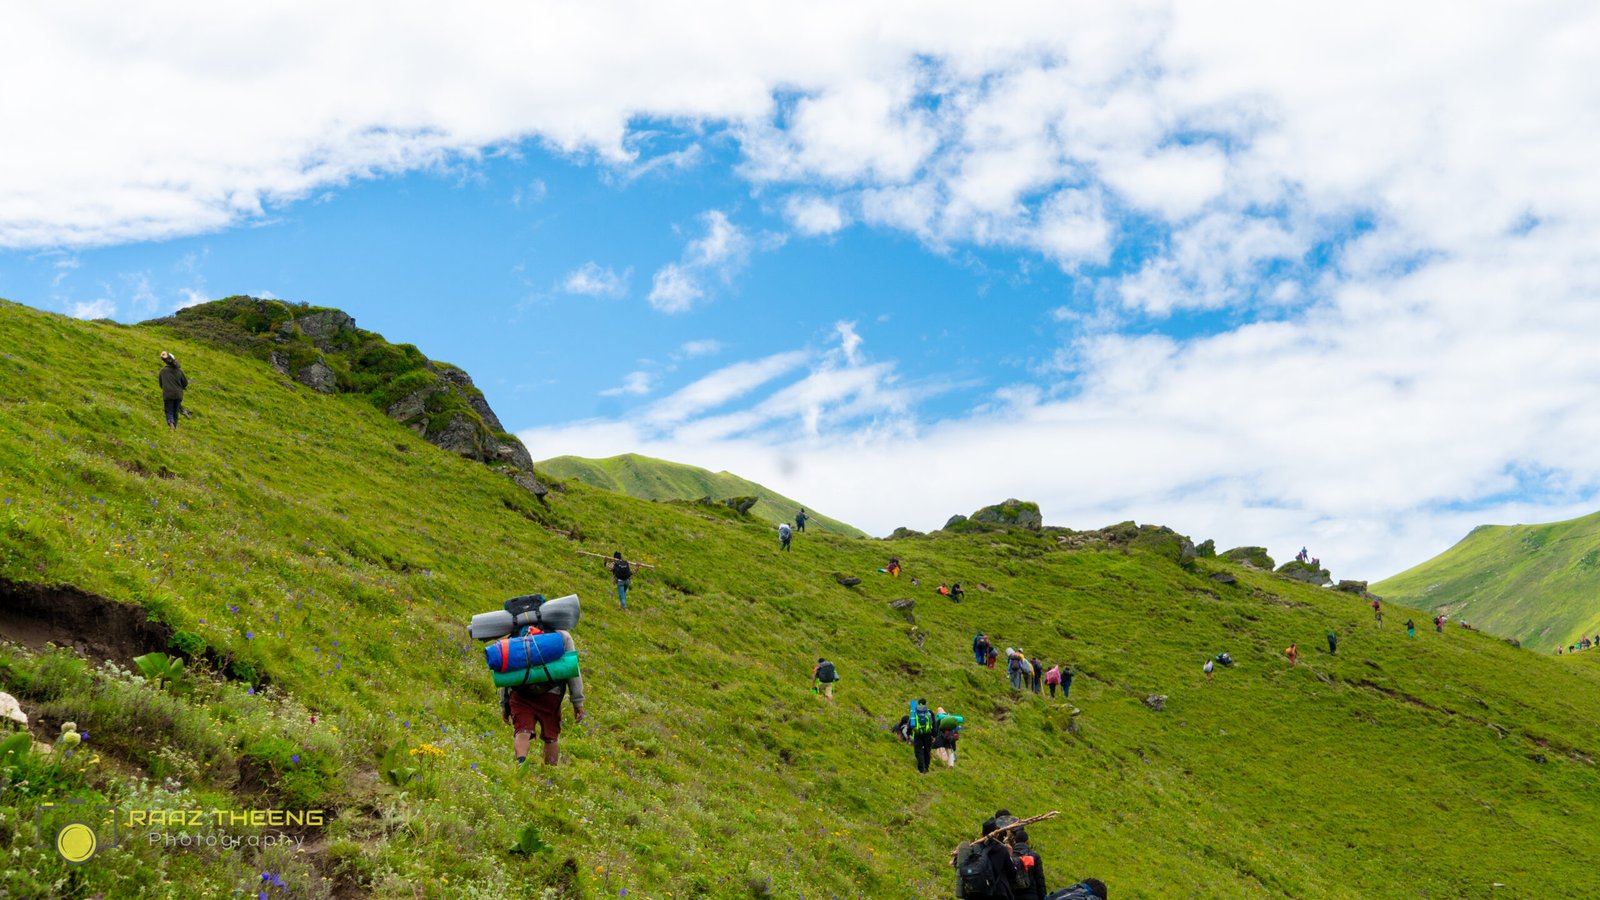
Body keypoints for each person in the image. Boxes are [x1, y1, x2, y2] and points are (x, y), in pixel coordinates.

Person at [500, 628, 586, 766]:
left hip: (521, 692)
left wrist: (504, 703)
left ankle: (520, 764)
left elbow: (507, 670)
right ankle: (549, 772)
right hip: (551, 694)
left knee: (522, 730)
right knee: (551, 736)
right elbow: (572, 669)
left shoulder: (516, 635)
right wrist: (578, 702)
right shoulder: (562, 636)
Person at [157, 351, 189, 430]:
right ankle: (174, 428)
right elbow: (185, 383)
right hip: (178, 394)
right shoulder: (179, 371)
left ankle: (171, 423)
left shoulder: (162, 371)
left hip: (168, 394)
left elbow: (161, 384)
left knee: (169, 411)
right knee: (175, 412)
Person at [911, 699, 936, 774]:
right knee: (927, 750)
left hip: (918, 733)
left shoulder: (914, 711)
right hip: (928, 734)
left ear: (918, 703)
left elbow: (911, 722)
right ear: (925, 703)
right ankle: (926, 767)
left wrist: (910, 732)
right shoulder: (929, 712)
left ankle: (921, 768)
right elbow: (933, 724)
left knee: (918, 750)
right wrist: (934, 735)